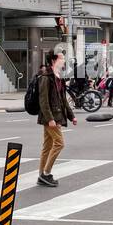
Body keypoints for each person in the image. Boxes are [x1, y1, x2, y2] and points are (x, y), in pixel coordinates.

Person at [36, 48, 76, 188]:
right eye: (61, 58)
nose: (64, 61)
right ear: (54, 60)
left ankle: (42, 175)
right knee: (59, 144)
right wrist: (50, 119)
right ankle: (46, 173)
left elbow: (63, 99)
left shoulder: (57, 76)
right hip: (51, 117)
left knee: (47, 146)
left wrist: (71, 116)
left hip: (56, 116)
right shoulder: (46, 77)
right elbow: (43, 100)